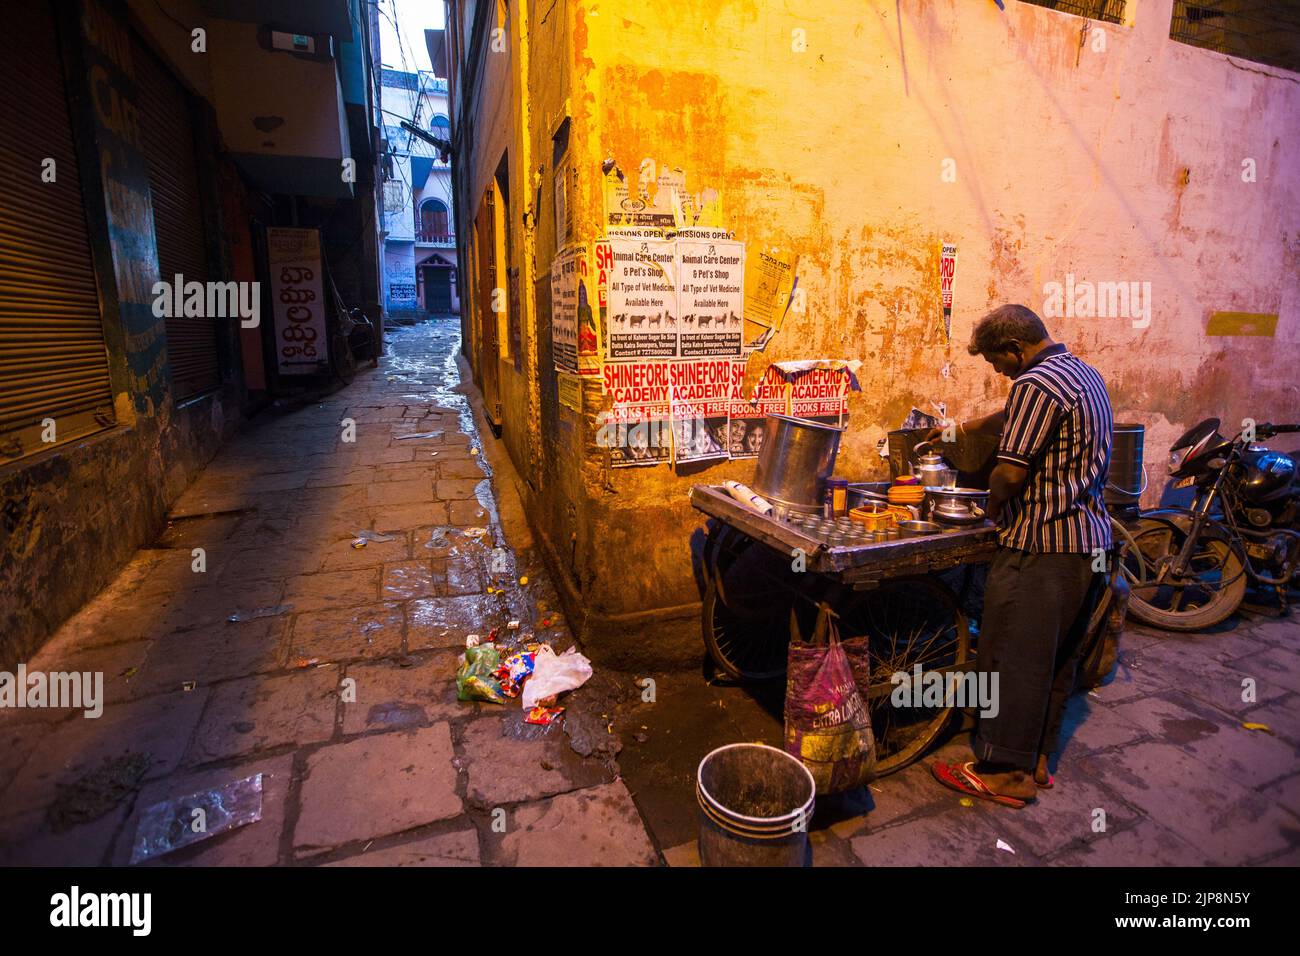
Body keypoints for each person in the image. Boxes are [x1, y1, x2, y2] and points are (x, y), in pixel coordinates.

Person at [928, 304, 1113, 808]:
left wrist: (990, 508)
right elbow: (1006, 420)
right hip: (1086, 544)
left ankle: (1005, 775)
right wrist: (953, 433)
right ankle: (1034, 759)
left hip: (1040, 544)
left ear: (1015, 348)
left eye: (996, 361)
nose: (997, 370)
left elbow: (1009, 474)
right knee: (1050, 660)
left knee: (1011, 655)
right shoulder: (1082, 375)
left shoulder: (1034, 384)